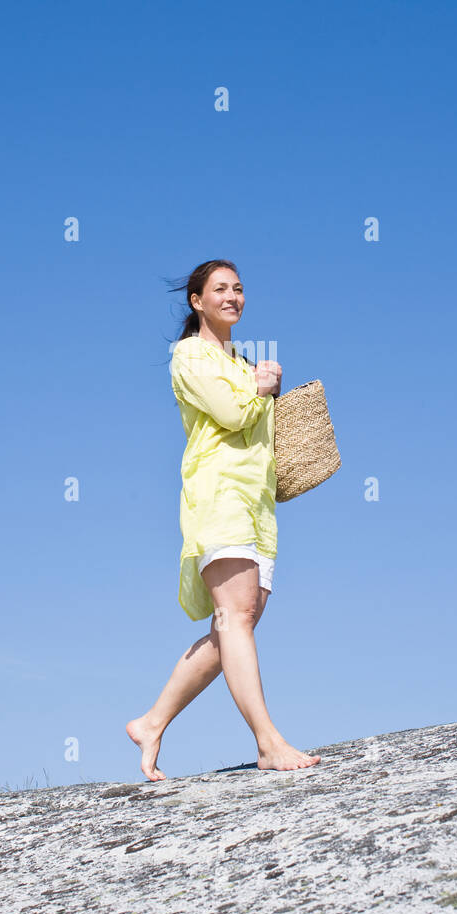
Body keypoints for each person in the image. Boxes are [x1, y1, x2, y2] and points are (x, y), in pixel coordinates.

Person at [126, 259, 321, 781]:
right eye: (220, 289)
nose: (232, 296)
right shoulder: (189, 356)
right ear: (197, 301)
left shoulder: (241, 359)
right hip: (219, 497)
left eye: (238, 289)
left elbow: (257, 427)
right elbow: (234, 415)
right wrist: (261, 386)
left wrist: (267, 385)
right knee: (234, 618)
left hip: (257, 503)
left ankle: (151, 721)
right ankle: (269, 742)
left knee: (238, 621)